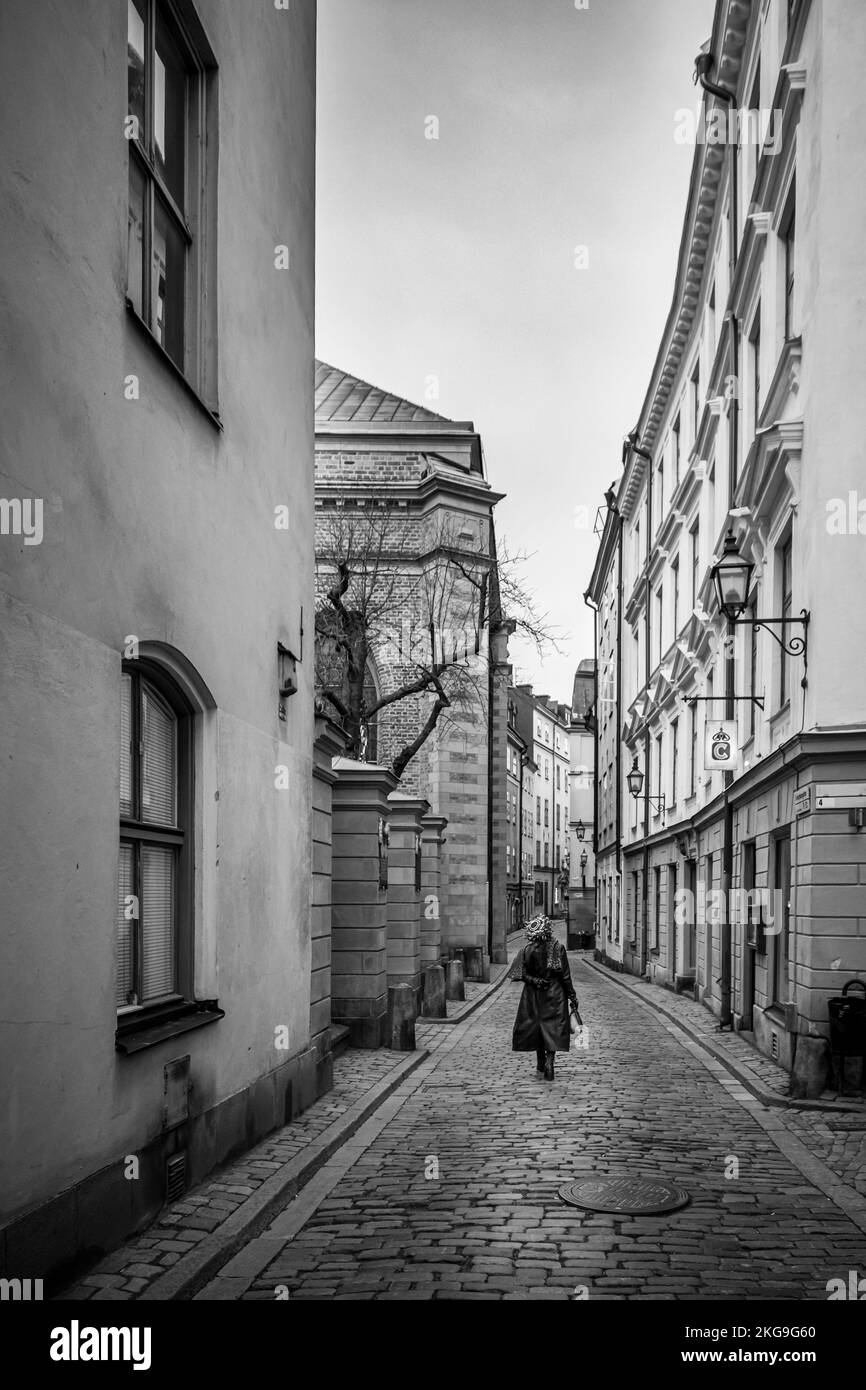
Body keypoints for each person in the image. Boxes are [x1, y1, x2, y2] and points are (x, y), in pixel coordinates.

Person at [511, 914, 579, 1081]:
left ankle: (540, 1062)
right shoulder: (557, 948)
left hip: (533, 996)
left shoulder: (526, 950)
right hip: (554, 995)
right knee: (552, 1028)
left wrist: (535, 980)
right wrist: (572, 996)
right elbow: (564, 975)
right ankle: (550, 1060)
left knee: (537, 1028)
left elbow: (519, 973)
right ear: (548, 929)